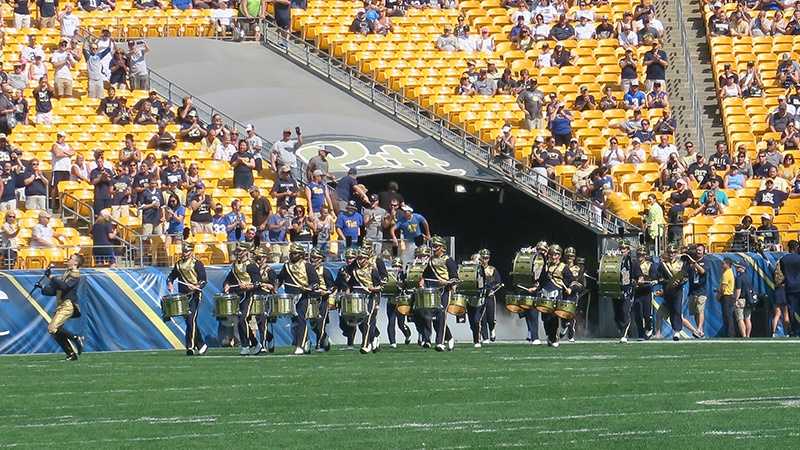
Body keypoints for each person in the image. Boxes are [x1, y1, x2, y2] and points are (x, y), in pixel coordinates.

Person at [166, 243, 209, 356]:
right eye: (183, 251)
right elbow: (172, 275)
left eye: (186, 252)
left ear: (191, 252)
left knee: (191, 319)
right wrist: (169, 282)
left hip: (194, 295)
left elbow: (203, 279)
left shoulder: (197, 264)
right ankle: (200, 344)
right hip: (183, 296)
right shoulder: (179, 264)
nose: (184, 254)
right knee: (190, 322)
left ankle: (190, 346)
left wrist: (197, 286)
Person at [278, 243, 320, 355]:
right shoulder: (286, 266)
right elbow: (280, 279)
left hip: (304, 297)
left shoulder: (308, 266)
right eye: (291, 253)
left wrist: (308, 288)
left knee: (301, 319)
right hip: (291, 297)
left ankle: (300, 346)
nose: (292, 255)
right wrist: (273, 286)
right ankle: (305, 341)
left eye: (295, 253)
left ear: (301, 254)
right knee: (295, 322)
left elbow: (316, 282)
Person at [42, 254, 85, 361]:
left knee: (52, 328)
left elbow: (64, 286)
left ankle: (76, 337)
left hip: (68, 305)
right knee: (56, 332)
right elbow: (56, 290)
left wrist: (52, 277)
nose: (68, 259)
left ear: (76, 263)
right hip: (61, 305)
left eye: (71, 258)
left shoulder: (75, 274)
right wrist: (43, 288)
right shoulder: (67, 273)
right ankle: (71, 354)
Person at [224, 243, 263, 356]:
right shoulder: (235, 265)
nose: (238, 253)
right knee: (240, 322)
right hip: (238, 296)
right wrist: (226, 284)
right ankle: (253, 344)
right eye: (237, 251)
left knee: (242, 320)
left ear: (246, 251)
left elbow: (258, 283)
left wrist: (249, 286)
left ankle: (247, 345)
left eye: (240, 251)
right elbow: (229, 278)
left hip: (248, 296)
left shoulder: (251, 266)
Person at [422, 236, 457, 352]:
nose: (434, 248)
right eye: (433, 246)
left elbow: (455, 278)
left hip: (446, 290)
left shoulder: (448, 260)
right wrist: (422, 280)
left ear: (442, 247)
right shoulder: (431, 260)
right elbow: (426, 274)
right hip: (434, 292)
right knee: (435, 319)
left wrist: (446, 282)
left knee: (442, 315)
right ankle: (450, 337)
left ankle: (440, 343)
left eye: (436, 246)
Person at [655, 244, 689, 340]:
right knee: (669, 310)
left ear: (676, 253)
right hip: (667, 290)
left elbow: (685, 276)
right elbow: (659, 278)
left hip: (678, 291)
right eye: (670, 252)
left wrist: (680, 282)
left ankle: (677, 331)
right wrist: (669, 282)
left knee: (677, 309)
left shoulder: (681, 263)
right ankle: (660, 332)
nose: (671, 254)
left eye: (673, 252)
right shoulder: (663, 265)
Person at [472, 249, 501, 347]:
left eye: (486, 258)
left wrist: (493, 289)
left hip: (490, 296)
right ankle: (485, 337)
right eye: (483, 258)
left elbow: (498, 282)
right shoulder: (477, 269)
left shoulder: (492, 269)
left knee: (490, 317)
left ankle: (492, 329)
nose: (485, 260)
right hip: (480, 296)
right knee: (482, 318)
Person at [308, 247, 335, 352]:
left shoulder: (325, 271)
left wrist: (327, 292)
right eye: (311, 258)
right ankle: (324, 338)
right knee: (313, 324)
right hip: (311, 299)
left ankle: (319, 345)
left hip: (322, 299)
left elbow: (332, 287)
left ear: (320, 259)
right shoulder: (307, 270)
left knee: (321, 322)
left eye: (315, 258)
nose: (313, 260)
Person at [612, 242, 636, 343]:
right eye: (621, 248)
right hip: (616, 289)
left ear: (628, 250)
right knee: (617, 315)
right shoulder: (615, 260)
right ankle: (625, 331)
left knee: (625, 312)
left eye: (624, 249)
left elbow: (636, 275)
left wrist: (637, 279)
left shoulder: (631, 261)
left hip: (627, 290)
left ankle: (624, 335)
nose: (622, 250)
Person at [776, 240, 800, 336]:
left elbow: (782, 273)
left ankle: (794, 330)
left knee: (791, 310)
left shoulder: (783, 259)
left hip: (789, 287)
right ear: (796, 247)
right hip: (799, 286)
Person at [631, 247, 654, 340]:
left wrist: (646, 281)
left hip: (646, 291)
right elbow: (630, 276)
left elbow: (653, 277)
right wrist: (633, 282)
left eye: (642, 255)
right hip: (637, 291)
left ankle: (649, 327)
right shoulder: (634, 264)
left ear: (645, 256)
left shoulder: (650, 265)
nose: (640, 256)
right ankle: (641, 333)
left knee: (646, 314)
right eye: (638, 254)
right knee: (637, 314)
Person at [686, 244, 707, 338]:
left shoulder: (705, 261)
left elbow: (703, 272)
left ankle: (699, 328)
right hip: (692, 290)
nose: (698, 252)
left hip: (701, 290)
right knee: (695, 312)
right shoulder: (690, 262)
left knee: (700, 310)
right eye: (697, 250)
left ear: (703, 251)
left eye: (700, 250)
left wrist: (695, 264)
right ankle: (700, 331)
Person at [733, 261, 754, 339]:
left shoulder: (739, 278)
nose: (736, 268)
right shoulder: (748, 277)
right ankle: (748, 335)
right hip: (748, 299)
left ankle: (744, 335)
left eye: (738, 267)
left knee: (740, 319)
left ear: (742, 268)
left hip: (741, 300)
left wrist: (736, 300)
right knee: (748, 318)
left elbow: (738, 290)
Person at [718, 257, 736, 338]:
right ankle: (730, 333)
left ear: (728, 264)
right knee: (728, 316)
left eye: (724, 263)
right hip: (729, 296)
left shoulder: (726, 273)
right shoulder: (729, 272)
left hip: (726, 297)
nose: (722, 264)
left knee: (727, 316)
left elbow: (724, 287)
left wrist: (719, 295)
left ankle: (730, 334)